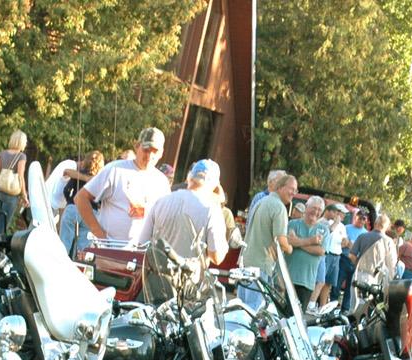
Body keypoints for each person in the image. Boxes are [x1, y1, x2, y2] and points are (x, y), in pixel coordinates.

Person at [136, 158, 227, 301]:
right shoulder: (211, 209)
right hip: (187, 288)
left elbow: (142, 243)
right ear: (215, 185)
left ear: (190, 178)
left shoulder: (162, 201)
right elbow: (217, 257)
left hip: (154, 283)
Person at [74, 126, 170, 245]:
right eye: (146, 149)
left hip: (141, 254)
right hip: (108, 250)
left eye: (155, 151)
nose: (150, 156)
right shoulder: (115, 170)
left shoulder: (162, 183)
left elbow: (166, 220)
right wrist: (99, 233)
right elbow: (81, 198)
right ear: (137, 146)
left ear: (161, 153)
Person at [238, 173, 295, 309]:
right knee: (254, 311)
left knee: (241, 310)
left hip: (246, 263)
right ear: (280, 187)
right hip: (261, 266)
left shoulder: (261, 201)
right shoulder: (279, 207)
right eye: (291, 188)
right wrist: (290, 247)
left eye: (295, 190)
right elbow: (281, 241)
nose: (293, 193)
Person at [285, 195, 328, 303]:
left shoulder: (324, 230)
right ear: (306, 207)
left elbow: (321, 251)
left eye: (319, 210)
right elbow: (289, 242)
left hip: (307, 282)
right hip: (288, 278)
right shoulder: (293, 224)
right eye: (314, 208)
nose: (316, 212)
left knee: (298, 317)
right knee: (282, 316)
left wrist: (298, 242)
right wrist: (311, 241)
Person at [59, 149, 103, 254]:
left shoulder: (78, 174)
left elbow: (67, 190)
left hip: (73, 208)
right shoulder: (101, 180)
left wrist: (69, 202)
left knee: (64, 244)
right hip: (91, 213)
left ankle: (60, 264)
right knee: (82, 250)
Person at [311, 203, 347, 308]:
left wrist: (345, 241)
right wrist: (335, 223)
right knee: (319, 280)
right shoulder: (327, 222)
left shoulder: (342, 226)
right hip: (327, 254)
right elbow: (326, 234)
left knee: (328, 283)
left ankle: (322, 306)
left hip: (337, 255)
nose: (343, 216)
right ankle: (311, 303)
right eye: (341, 213)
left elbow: (344, 240)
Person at [337, 207, 368, 307]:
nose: (361, 221)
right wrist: (349, 245)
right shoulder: (346, 228)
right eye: (360, 218)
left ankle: (346, 307)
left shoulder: (366, 234)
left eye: (364, 219)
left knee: (351, 287)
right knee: (337, 283)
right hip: (344, 258)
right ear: (356, 217)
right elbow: (342, 242)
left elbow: (362, 250)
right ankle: (333, 302)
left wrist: (351, 245)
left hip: (356, 262)